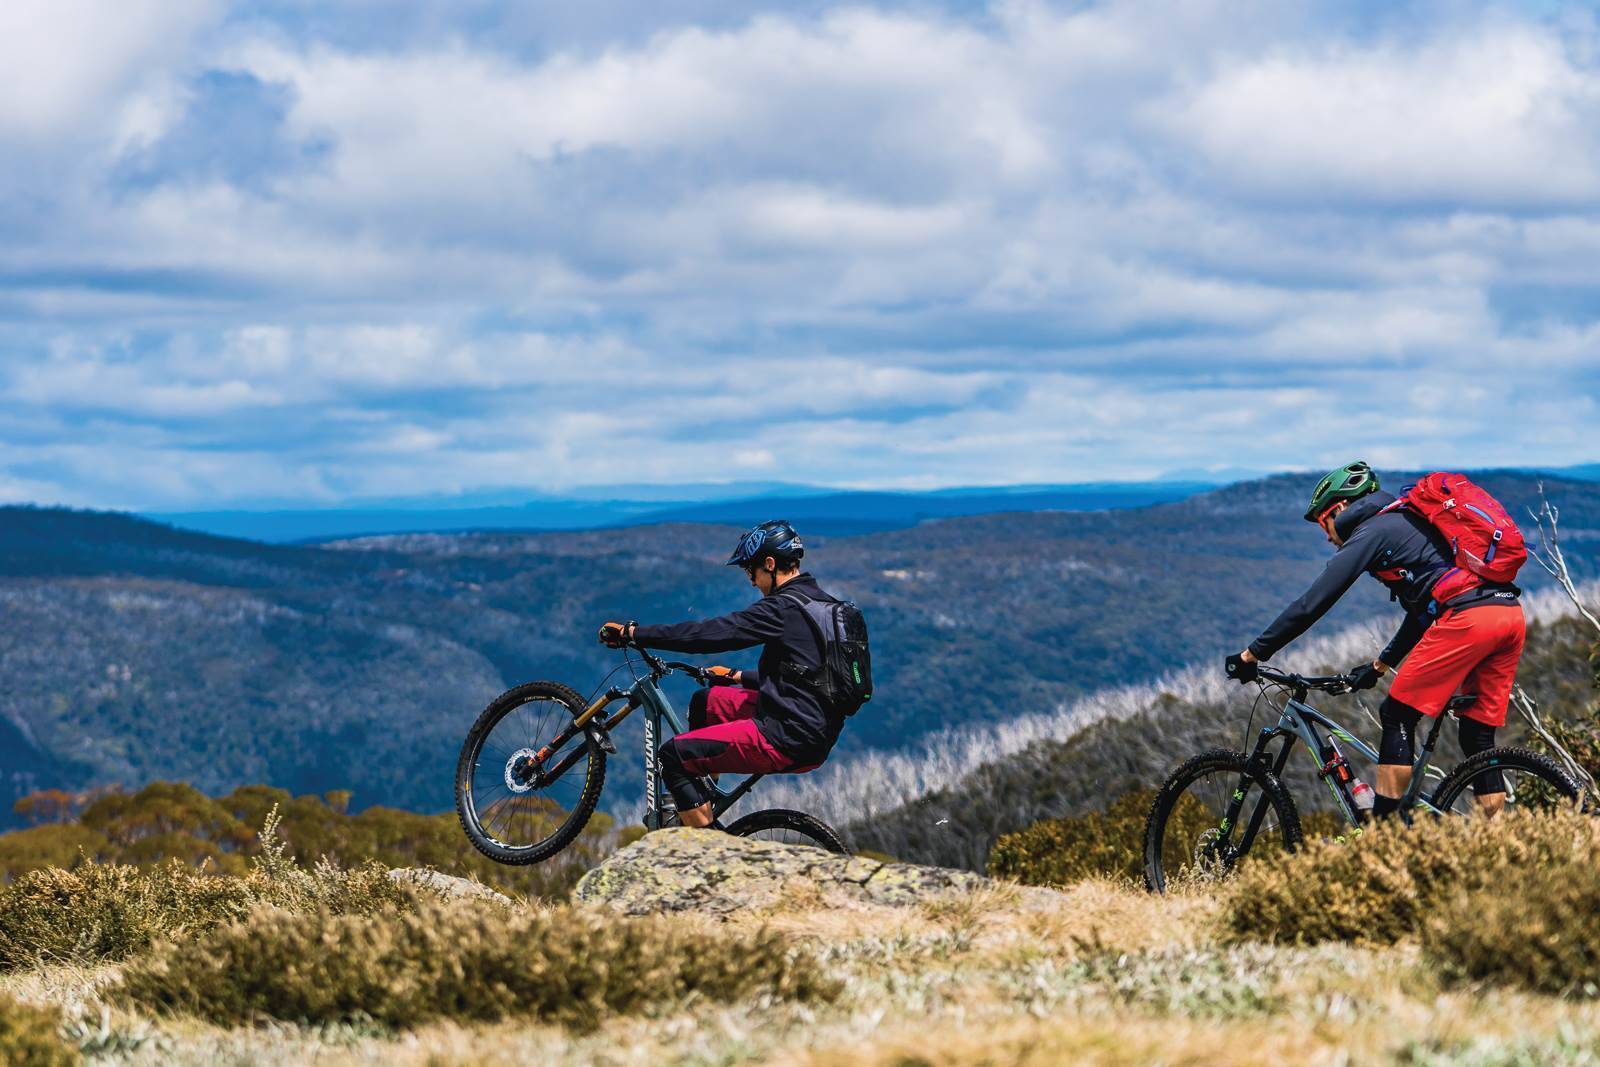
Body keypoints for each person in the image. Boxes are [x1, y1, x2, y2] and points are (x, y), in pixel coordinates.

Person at [1225, 461, 1524, 818]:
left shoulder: (1372, 531)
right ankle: (1500, 837)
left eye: (1324, 523)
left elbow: (1312, 604)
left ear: (1339, 509)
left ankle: (1384, 835)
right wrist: (1380, 666)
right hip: (1508, 615)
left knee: (1396, 715)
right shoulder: (1405, 521)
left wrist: (1252, 654)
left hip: (1469, 620)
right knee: (1476, 736)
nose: (1326, 535)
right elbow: (1423, 611)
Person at [597, 519, 847, 828]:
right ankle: (700, 800)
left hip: (786, 736)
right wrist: (736, 675)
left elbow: (709, 634)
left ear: (769, 564)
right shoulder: (826, 606)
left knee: (672, 757)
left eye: (750, 571)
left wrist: (635, 633)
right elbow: (808, 678)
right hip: (811, 726)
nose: (751, 581)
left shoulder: (782, 609)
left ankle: (713, 853)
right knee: (706, 702)